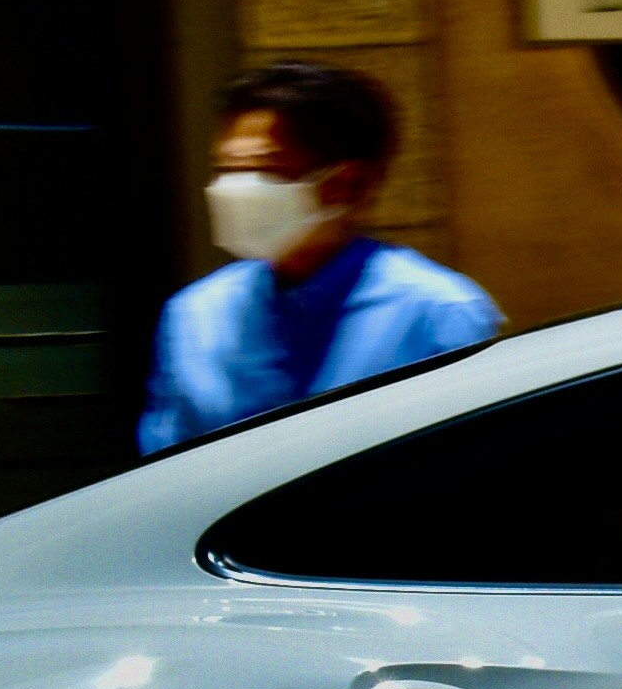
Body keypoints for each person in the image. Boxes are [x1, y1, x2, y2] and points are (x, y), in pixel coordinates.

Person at [137, 61, 502, 453]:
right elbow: (167, 466)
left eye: (264, 170)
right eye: (226, 170)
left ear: (349, 183)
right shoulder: (196, 315)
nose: (235, 190)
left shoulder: (438, 314)